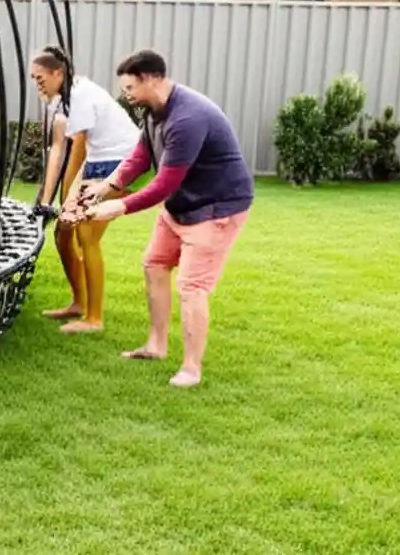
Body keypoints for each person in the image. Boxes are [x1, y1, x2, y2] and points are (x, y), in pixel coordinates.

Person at [80, 49, 253, 387]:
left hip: (216, 207)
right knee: (155, 264)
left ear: (150, 79)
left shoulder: (187, 118)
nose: (126, 95)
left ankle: (191, 369)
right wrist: (105, 187)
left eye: (130, 88)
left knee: (192, 286)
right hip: (180, 206)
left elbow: (165, 183)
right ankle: (156, 345)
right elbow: (140, 157)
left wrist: (118, 206)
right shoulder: (153, 111)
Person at [30, 45, 140, 334]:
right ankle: (79, 303)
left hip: (122, 163)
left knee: (86, 234)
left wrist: (68, 202)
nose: (37, 83)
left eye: (40, 78)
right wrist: (45, 200)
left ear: (58, 73)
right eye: (33, 78)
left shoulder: (80, 95)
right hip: (99, 163)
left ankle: (94, 318)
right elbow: (57, 150)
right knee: (63, 234)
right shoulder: (60, 100)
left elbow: (76, 151)